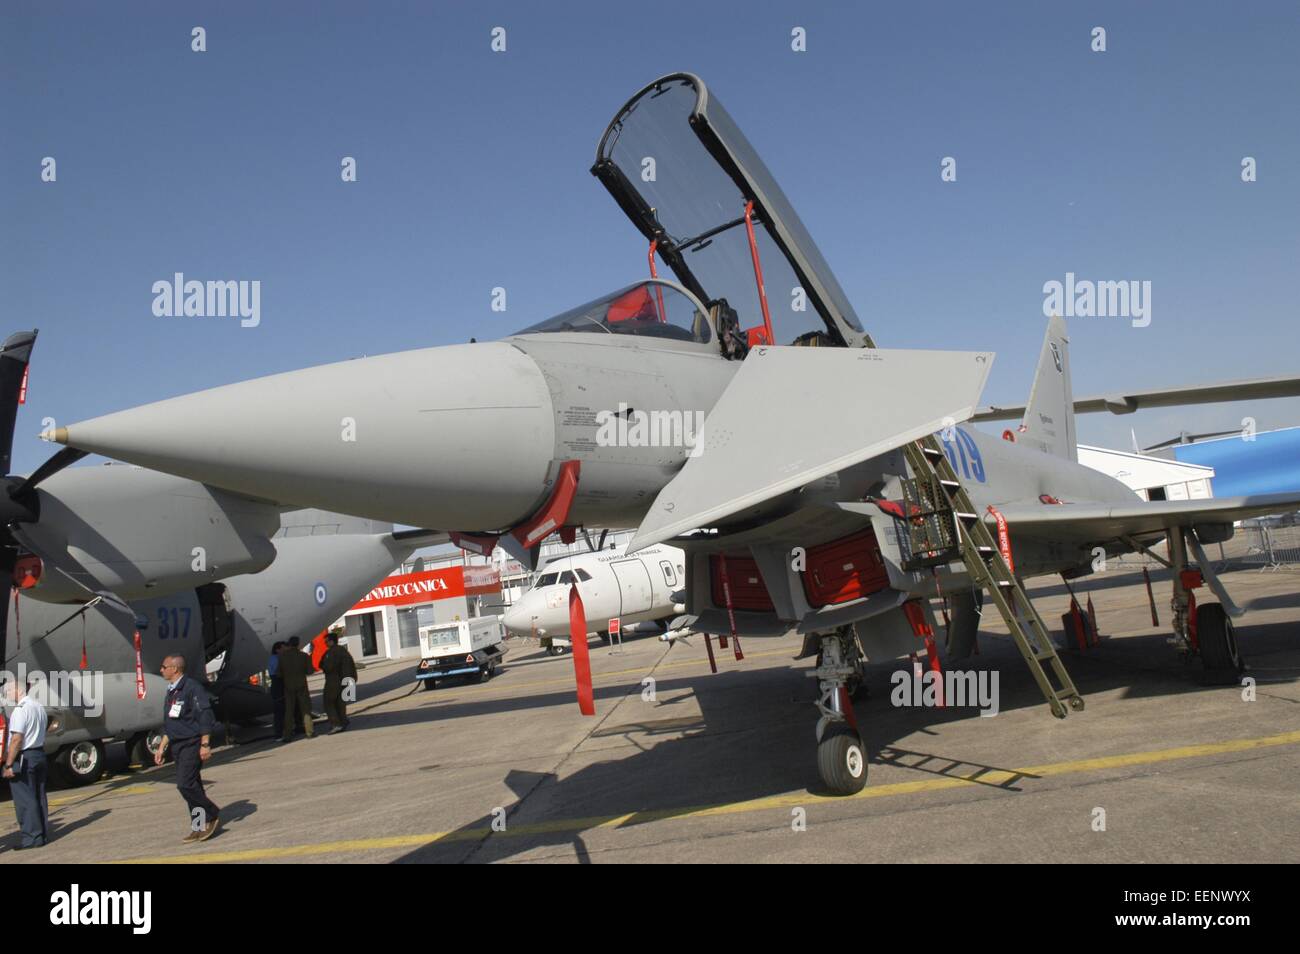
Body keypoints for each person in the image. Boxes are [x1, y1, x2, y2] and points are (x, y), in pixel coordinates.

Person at [155, 655, 220, 843]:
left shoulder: (192, 688)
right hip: (177, 745)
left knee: (185, 784)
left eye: (163, 666)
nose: (161, 670)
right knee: (194, 785)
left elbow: (205, 715)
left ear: (174, 669)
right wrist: (161, 747)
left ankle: (212, 813)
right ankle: (199, 826)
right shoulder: (172, 691)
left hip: (191, 743)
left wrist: (205, 744)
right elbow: (171, 722)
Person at [2, 678, 49, 849]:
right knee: (39, 796)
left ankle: (32, 839)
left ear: (17, 690)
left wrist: (8, 765)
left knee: (25, 799)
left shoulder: (20, 711)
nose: (6, 694)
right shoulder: (38, 707)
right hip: (39, 753)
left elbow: (16, 739)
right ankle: (42, 834)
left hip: (24, 757)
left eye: (8, 690)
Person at [318, 633, 358, 733]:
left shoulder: (331, 653)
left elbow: (327, 666)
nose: (325, 643)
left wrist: (323, 665)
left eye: (326, 641)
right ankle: (343, 721)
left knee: (328, 702)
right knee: (341, 703)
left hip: (334, 680)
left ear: (331, 641)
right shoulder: (343, 650)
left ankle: (335, 724)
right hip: (347, 680)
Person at [278, 639, 314, 741]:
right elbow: (310, 671)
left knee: (289, 711)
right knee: (305, 709)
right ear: (298, 644)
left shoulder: (282, 657)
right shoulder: (304, 656)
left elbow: (279, 674)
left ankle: (287, 734)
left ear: (289, 644)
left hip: (288, 686)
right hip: (301, 685)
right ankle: (309, 732)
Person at [268, 640, 286, 738]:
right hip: (277, 685)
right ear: (277, 650)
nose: (284, 650)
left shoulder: (276, 658)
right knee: (279, 711)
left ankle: (282, 731)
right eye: (283, 648)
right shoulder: (275, 659)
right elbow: (277, 672)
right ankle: (279, 733)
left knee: (282, 710)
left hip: (278, 684)